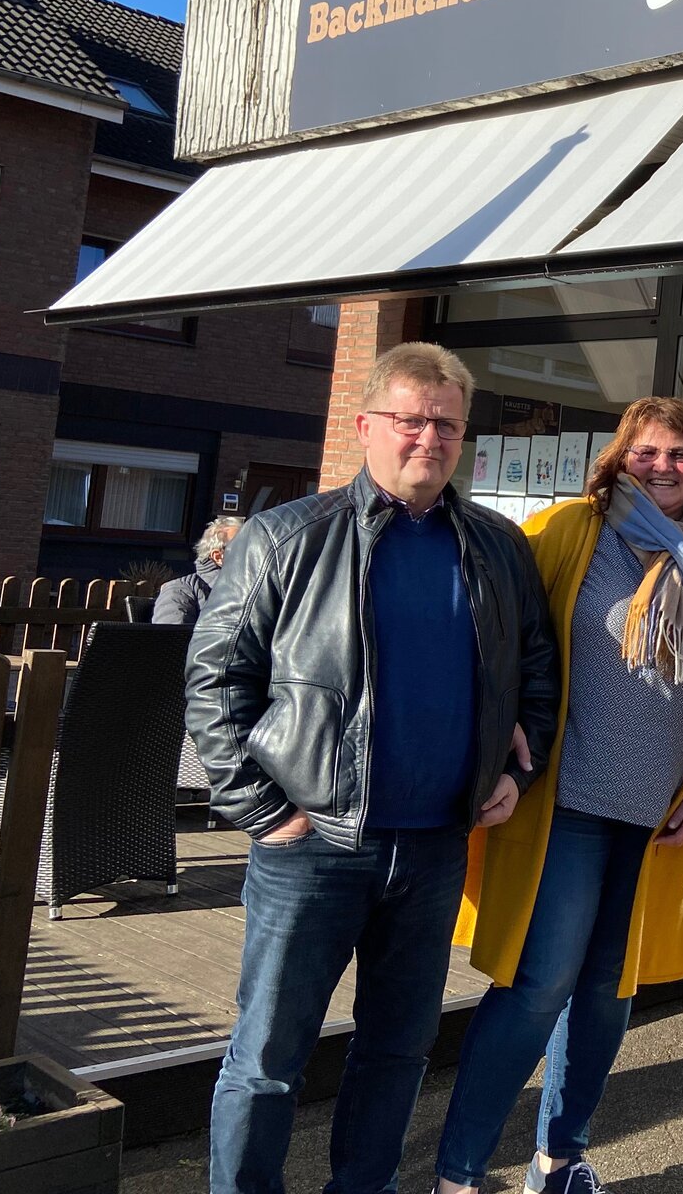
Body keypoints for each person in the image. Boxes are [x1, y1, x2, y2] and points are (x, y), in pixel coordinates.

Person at [185, 342, 561, 1194]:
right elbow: (214, 679)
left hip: (433, 847)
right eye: (410, 419)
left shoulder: (498, 547)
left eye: (447, 424)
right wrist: (259, 809)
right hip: (309, 844)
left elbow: (537, 673)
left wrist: (517, 774)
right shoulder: (287, 537)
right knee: (269, 1057)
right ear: (366, 426)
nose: (428, 437)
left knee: (397, 1050)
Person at [436, 398, 683, 1194]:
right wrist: (496, 746)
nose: (663, 466)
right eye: (647, 452)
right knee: (537, 984)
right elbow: (493, 638)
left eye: (681, 454)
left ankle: (559, 1160)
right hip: (565, 805)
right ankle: (458, 1172)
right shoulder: (567, 532)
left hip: (661, 821)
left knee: (607, 997)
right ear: (619, 460)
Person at [153, 514, 243, 624]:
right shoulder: (180, 590)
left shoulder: (258, 591)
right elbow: (170, 638)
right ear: (218, 557)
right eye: (244, 547)